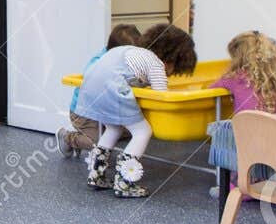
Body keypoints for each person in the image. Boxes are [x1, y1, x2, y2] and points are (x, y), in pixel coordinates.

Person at [76, 22, 197, 197]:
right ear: (171, 59)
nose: (170, 74)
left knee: (113, 128)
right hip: (113, 87)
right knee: (142, 131)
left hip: (91, 86)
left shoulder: (129, 51)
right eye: (174, 70)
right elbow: (163, 96)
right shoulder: (156, 64)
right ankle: (125, 182)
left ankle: (96, 174)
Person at [58, 22, 142, 157]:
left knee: (129, 130)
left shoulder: (130, 61)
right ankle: (67, 137)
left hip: (108, 109)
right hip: (85, 113)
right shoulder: (98, 62)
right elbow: (93, 79)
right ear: (114, 52)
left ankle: (97, 133)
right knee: (97, 143)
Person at [211, 30, 276, 114]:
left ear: (238, 58)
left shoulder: (234, 78)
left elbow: (210, 90)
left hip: (245, 126)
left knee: (216, 126)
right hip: (273, 125)